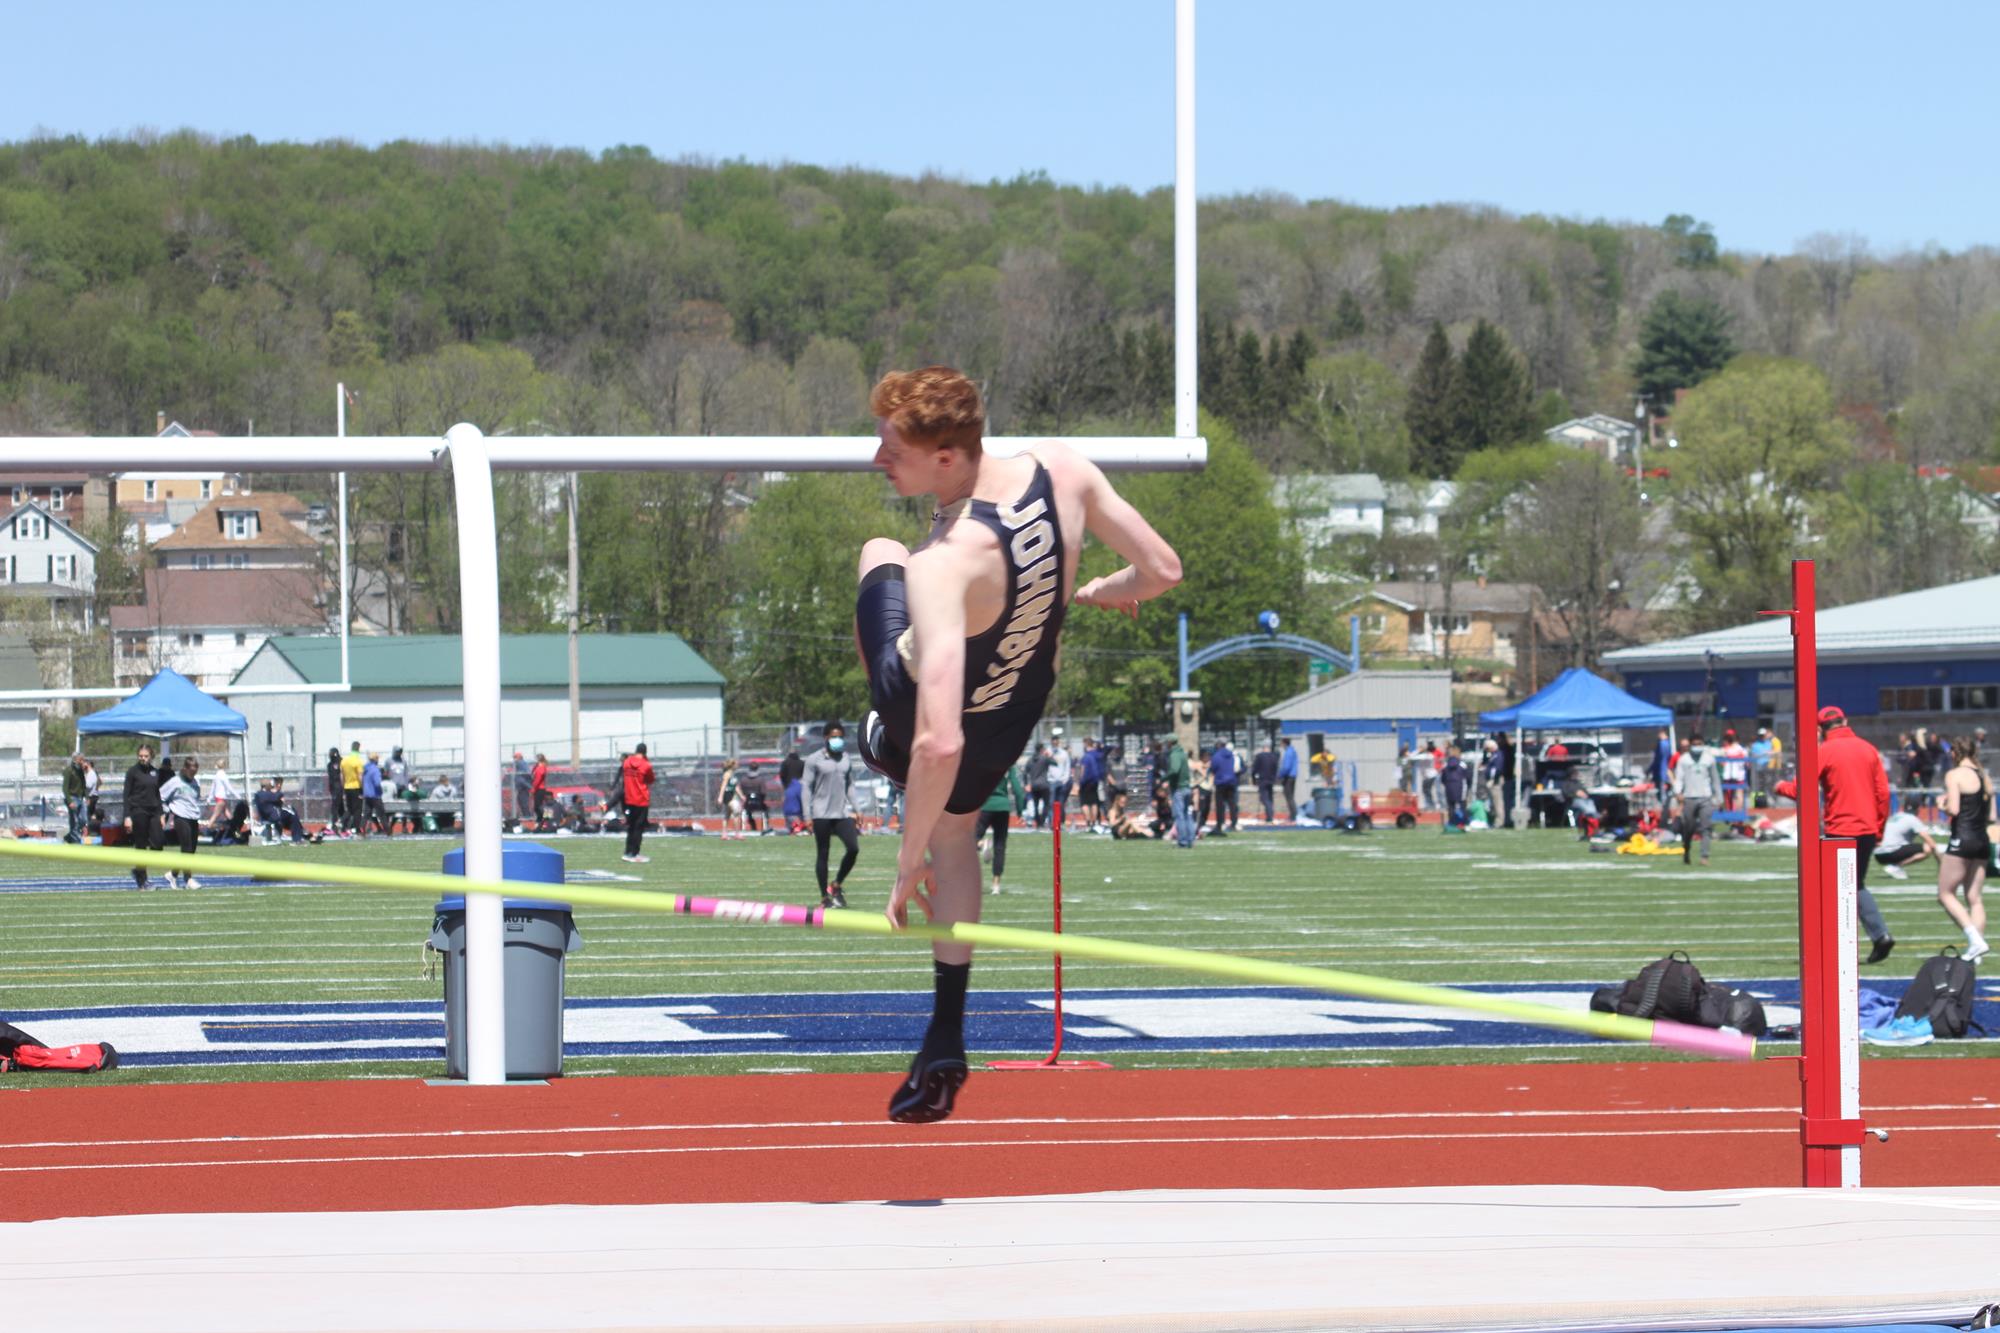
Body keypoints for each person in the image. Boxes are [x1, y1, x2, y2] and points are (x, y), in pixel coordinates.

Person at [849, 365, 1180, 1122]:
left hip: (930, 719)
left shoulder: (946, 563)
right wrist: (1100, 590)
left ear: (945, 457)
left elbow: (934, 744)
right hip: (1014, 714)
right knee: (960, 839)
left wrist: (907, 860)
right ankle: (944, 1035)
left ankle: (874, 738)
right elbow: (1162, 569)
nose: (877, 460)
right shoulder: (1064, 468)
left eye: (890, 449)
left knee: (878, 553)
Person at [1813, 706, 1896, 964]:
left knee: (1839, 889)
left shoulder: (1823, 750)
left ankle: (1849, 943)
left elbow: (1801, 788)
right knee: (1855, 884)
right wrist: (1879, 828)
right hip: (1868, 828)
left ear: (1820, 729)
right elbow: (1883, 793)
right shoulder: (1868, 748)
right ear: (1845, 720)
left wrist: (1779, 786)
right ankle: (1877, 934)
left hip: (1840, 830)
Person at [1935, 736, 1991, 964]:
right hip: (1981, 838)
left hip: (1962, 838)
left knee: (1945, 893)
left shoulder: (1954, 774)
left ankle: (1974, 940)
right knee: (1974, 897)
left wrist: (1942, 804)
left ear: (1954, 753)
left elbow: (1955, 809)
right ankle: (1976, 950)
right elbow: (1992, 815)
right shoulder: (1983, 775)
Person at [802, 721, 859, 908]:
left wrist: (857, 808)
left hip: (841, 813)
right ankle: (823, 897)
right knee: (823, 855)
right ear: (826, 738)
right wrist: (807, 816)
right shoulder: (814, 759)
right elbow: (806, 789)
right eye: (834, 736)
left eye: (840, 736)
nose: (837, 740)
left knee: (853, 848)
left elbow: (849, 785)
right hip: (821, 814)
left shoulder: (846, 758)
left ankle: (836, 885)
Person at [1671, 731, 1722, 865]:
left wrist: (1719, 797)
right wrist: (1678, 792)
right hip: (1689, 797)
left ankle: (1704, 856)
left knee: (1706, 828)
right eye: (1694, 744)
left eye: (1699, 744)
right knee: (1689, 827)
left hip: (1705, 797)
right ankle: (1686, 850)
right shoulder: (1684, 759)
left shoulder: (1709, 759)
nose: (1697, 747)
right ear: (1690, 745)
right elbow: (1679, 778)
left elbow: (1715, 779)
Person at [121, 742, 164, 889]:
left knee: (158, 843)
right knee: (140, 845)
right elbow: (126, 795)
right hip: (138, 810)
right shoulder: (133, 772)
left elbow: (157, 794)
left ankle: (138, 870)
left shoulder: (155, 772)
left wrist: (161, 813)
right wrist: (127, 816)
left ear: (151, 756)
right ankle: (142, 880)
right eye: (140, 756)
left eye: (146, 756)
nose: (143, 758)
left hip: (153, 811)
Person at [158, 756, 204, 890]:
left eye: (195, 771)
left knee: (191, 851)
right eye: (191, 771)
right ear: (185, 769)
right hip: (180, 817)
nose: (193, 774)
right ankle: (188, 879)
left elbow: (195, 799)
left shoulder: (195, 782)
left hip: (193, 818)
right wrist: (165, 812)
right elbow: (160, 796)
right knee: (186, 848)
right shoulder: (175, 781)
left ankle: (172, 874)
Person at [976, 764, 1024, 894]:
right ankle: (996, 885)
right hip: (1003, 806)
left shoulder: (982, 761)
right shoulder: (1008, 765)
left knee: (970, 839)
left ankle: (981, 844)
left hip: (985, 805)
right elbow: (1018, 790)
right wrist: (1020, 811)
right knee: (1000, 846)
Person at [1874, 806, 1939, 881]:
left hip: (1878, 855)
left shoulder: (1895, 816)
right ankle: (1895, 866)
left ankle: (1895, 867)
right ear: (1917, 809)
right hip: (1892, 852)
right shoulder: (1912, 819)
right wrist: (1940, 864)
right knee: (1927, 848)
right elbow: (1931, 843)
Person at [620, 743, 654, 864]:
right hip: (641, 800)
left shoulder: (627, 762)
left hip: (629, 799)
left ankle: (627, 852)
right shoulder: (646, 765)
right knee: (639, 828)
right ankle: (634, 853)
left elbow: (625, 769)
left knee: (631, 826)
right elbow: (650, 780)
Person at [1210, 737, 1240, 834]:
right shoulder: (1231, 754)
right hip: (1231, 780)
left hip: (1221, 781)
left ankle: (1220, 824)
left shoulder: (1217, 755)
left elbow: (1213, 768)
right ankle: (1234, 823)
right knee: (1232, 803)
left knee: (1220, 804)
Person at [1718, 729, 1750, 812]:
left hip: (1729, 776)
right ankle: (1736, 813)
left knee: (1730, 795)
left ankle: (1731, 812)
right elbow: (1747, 764)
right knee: (1738, 794)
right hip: (1739, 775)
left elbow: (1722, 763)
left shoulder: (1726, 750)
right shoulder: (1742, 749)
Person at [1077, 736, 1105, 833]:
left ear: (1085, 744)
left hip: (1086, 782)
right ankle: (1095, 822)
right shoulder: (1098, 754)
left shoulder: (1086, 756)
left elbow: (1083, 770)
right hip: (1096, 781)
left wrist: (1080, 781)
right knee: (1094, 802)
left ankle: (1088, 822)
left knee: (1084, 802)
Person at [361, 752, 391, 837]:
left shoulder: (365, 769)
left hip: (367, 795)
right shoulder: (375, 769)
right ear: (375, 760)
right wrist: (380, 791)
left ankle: (362, 830)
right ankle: (388, 831)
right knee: (381, 815)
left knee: (366, 815)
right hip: (375, 795)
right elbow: (377, 783)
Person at [1047, 729, 1072, 828]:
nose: (1055, 741)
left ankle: (1059, 823)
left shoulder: (1063, 753)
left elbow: (1067, 767)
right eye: (1053, 739)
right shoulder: (1047, 752)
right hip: (1051, 781)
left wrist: (1065, 779)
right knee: (1051, 803)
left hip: (1061, 781)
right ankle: (1052, 823)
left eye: (1056, 739)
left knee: (1060, 804)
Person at [1441, 745, 1470, 827]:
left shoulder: (1445, 765)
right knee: (1462, 805)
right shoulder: (1462, 764)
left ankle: (1452, 822)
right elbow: (1468, 777)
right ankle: (1464, 822)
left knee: (1451, 806)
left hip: (1449, 787)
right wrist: (1468, 786)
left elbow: (1443, 778)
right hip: (1461, 787)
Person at [1024, 742, 1051, 830]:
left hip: (1034, 785)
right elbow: (1055, 763)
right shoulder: (1044, 758)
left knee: (1035, 805)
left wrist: (1026, 784)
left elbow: (1025, 773)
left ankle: (1038, 823)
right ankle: (1042, 821)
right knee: (1046, 804)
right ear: (1042, 749)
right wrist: (1049, 756)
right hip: (1044, 785)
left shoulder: (1030, 759)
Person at [1249, 742, 1277, 826]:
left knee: (1264, 799)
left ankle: (1269, 817)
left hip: (1263, 780)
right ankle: (1269, 816)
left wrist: (1254, 779)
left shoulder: (1260, 756)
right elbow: (1275, 769)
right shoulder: (1274, 757)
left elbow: (1255, 769)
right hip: (1271, 780)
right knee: (1270, 799)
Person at [341, 742, 365, 836]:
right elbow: (360, 776)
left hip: (347, 787)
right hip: (356, 787)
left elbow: (342, 775)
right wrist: (363, 787)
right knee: (357, 809)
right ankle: (356, 828)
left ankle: (342, 824)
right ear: (359, 748)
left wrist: (343, 786)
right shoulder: (358, 761)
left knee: (350, 809)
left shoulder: (344, 761)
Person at [62, 753, 87, 843]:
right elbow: (65, 788)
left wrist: (86, 797)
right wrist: (70, 801)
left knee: (83, 819)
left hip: (80, 797)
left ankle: (69, 837)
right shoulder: (69, 770)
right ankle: (76, 840)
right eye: (81, 760)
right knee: (74, 820)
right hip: (72, 797)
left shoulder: (81, 771)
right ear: (76, 760)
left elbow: (84, 785)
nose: (83, 762)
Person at [717, 757, 745, 836]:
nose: (738, 765)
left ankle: (724, 834)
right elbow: (723, 785)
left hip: (732, 794)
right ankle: (737, 834)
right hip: (727, 794)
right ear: (732, 765)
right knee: (736, 812)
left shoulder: (733, 774)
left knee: (727, 814)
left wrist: (741, 795)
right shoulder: (727, 774)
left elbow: (735, 786)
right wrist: (720, 797)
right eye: (736, 764)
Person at [741, 764, 770, 833]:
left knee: (747, 812)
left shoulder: (744, 780)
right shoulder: (760, 780)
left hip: (747, 803)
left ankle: (752, 825)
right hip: (759, 803)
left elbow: (742, 791)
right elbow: (763, 792)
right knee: (766, 810)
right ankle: (765, 827)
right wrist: (761, 800)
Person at [324, 747, 346, 835]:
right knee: (339, 808)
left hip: (339, 787)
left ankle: (335, 826)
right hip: (334, 789)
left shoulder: (341, 762)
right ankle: (342, 826)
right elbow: (330, 778)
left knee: (335, 808)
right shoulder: (330, 764)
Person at [1649, 728, 1673, 808]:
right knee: (1664, 794)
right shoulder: (1667, 743)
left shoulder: (1663, 744)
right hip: (1662, 773)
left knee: (1664, 795)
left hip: (1664, 773)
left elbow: (1658, 760)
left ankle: (1665, 811)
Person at [1277, 738, 1299, 821]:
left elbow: (1286, 767)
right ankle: (1293, 814)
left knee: (1289, 796)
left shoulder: (1288, 752)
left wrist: (1280, 775)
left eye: (1281, 743)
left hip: (1288, 777)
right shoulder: (1292, 751)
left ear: (1284, 743)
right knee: (1291, 796)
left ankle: (1293, 815)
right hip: (1292, 776)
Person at [529, 753, 552, 830]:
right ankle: (541, 821)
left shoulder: (541, 768)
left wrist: (533, 789)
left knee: (538, 807)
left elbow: (537, 780)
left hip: (539, 789)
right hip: (539, 789)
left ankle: (546, 820)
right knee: (539, 807)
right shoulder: (538, 767)